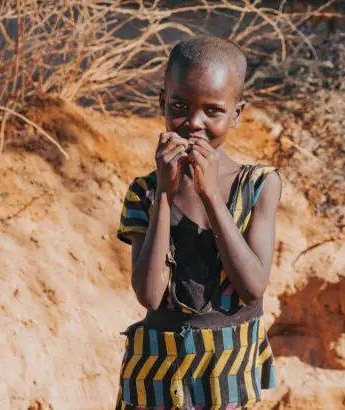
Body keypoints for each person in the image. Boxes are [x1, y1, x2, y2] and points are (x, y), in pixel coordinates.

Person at [115, 35, 281, 410]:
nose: (193, 122)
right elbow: (149, 295)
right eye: (179, 106)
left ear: (237, 113)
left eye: (213, 111)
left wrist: (208, 194)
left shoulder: (258, 185)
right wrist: (163, 194)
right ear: (162, 101)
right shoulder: (144, 191)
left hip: (227, 376)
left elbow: (252, 286)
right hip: (155, 378)